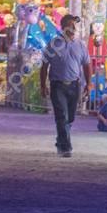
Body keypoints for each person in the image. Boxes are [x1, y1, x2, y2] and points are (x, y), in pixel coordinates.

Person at [39, 15, 92, 158]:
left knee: (70, 117)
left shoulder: (80, 45)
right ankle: (66, 147)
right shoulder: (53, 45)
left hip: (74, 85)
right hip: (58, 85)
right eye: (70, 25)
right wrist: (43, 85)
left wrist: (89, 84)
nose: (74, 28)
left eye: (75, 25)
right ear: (63, 27)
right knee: (62, 116)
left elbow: (87, 65)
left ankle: (60, 140)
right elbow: (44, 65)